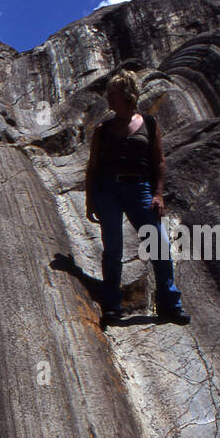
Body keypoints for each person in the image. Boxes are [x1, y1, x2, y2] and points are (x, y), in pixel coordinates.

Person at [84, 71, 190, 326]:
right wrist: (90, 200)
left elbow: (159, 162)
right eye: (108, 94)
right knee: (113, 250)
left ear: (127, 95)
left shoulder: (149, 124)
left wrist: (158, 194)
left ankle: (169, 305)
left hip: (140, 189)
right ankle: (112, 306)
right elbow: (93, 166)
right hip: (108, 190)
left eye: (113, 94)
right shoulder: (103, 129)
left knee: (159, 246)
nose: (109, 99)